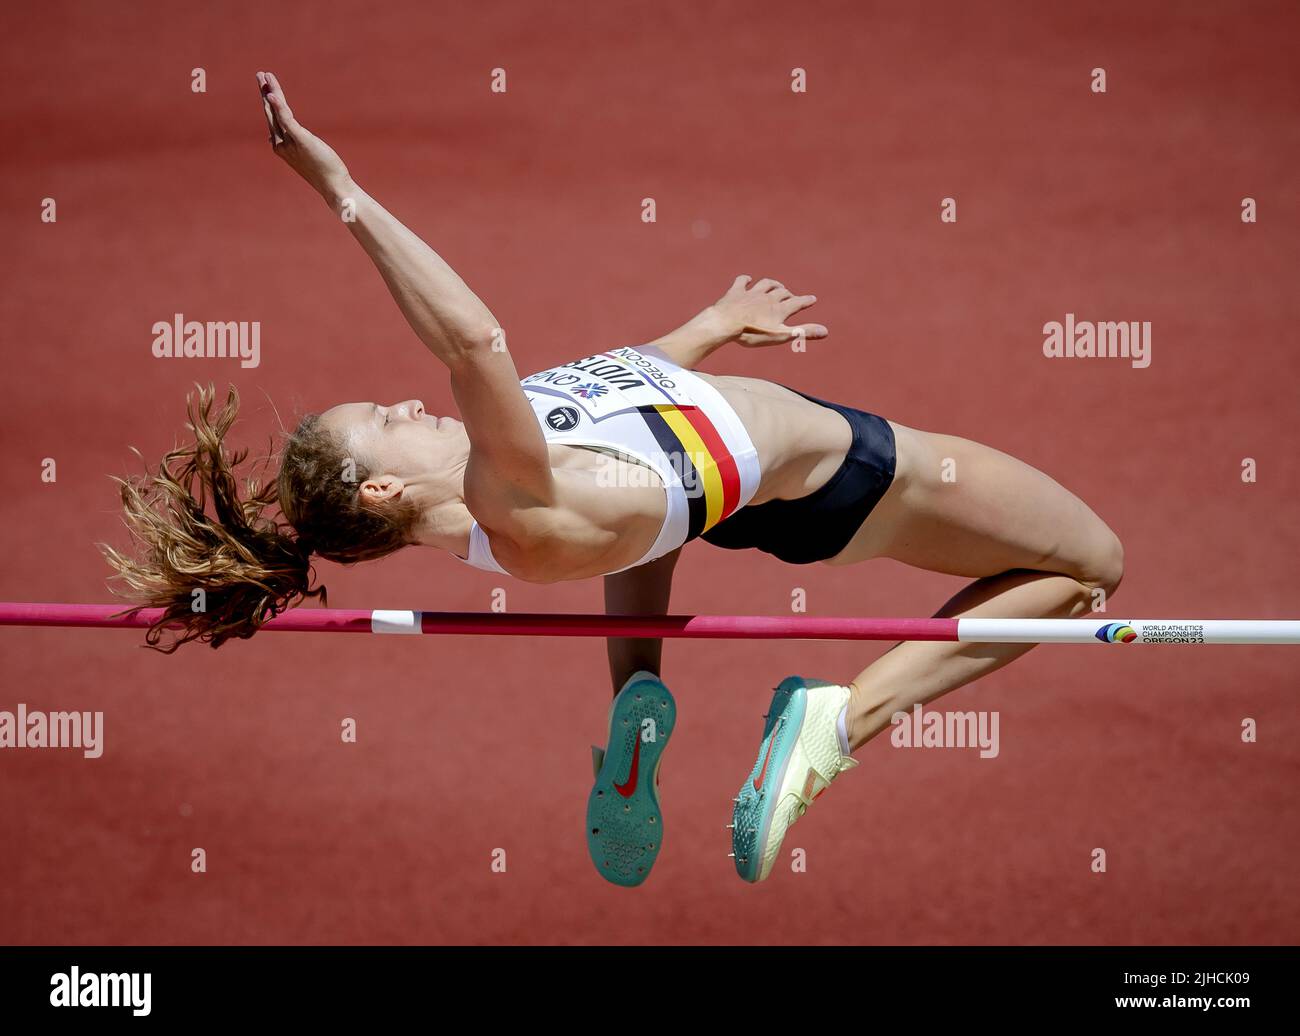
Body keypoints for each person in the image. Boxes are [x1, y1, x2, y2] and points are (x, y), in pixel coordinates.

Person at [106, 72, 1123, 886]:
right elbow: (471, 338)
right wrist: (339, 189)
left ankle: (636, 696)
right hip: (843, 475)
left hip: (690, 499)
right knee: (1085, 565)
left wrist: (706, 330)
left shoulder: (500, 466)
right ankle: (841, 719)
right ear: (380, 494)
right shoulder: (508, 492)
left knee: (641, 514)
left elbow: (612, 397)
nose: (406, 405)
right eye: (382, 421)